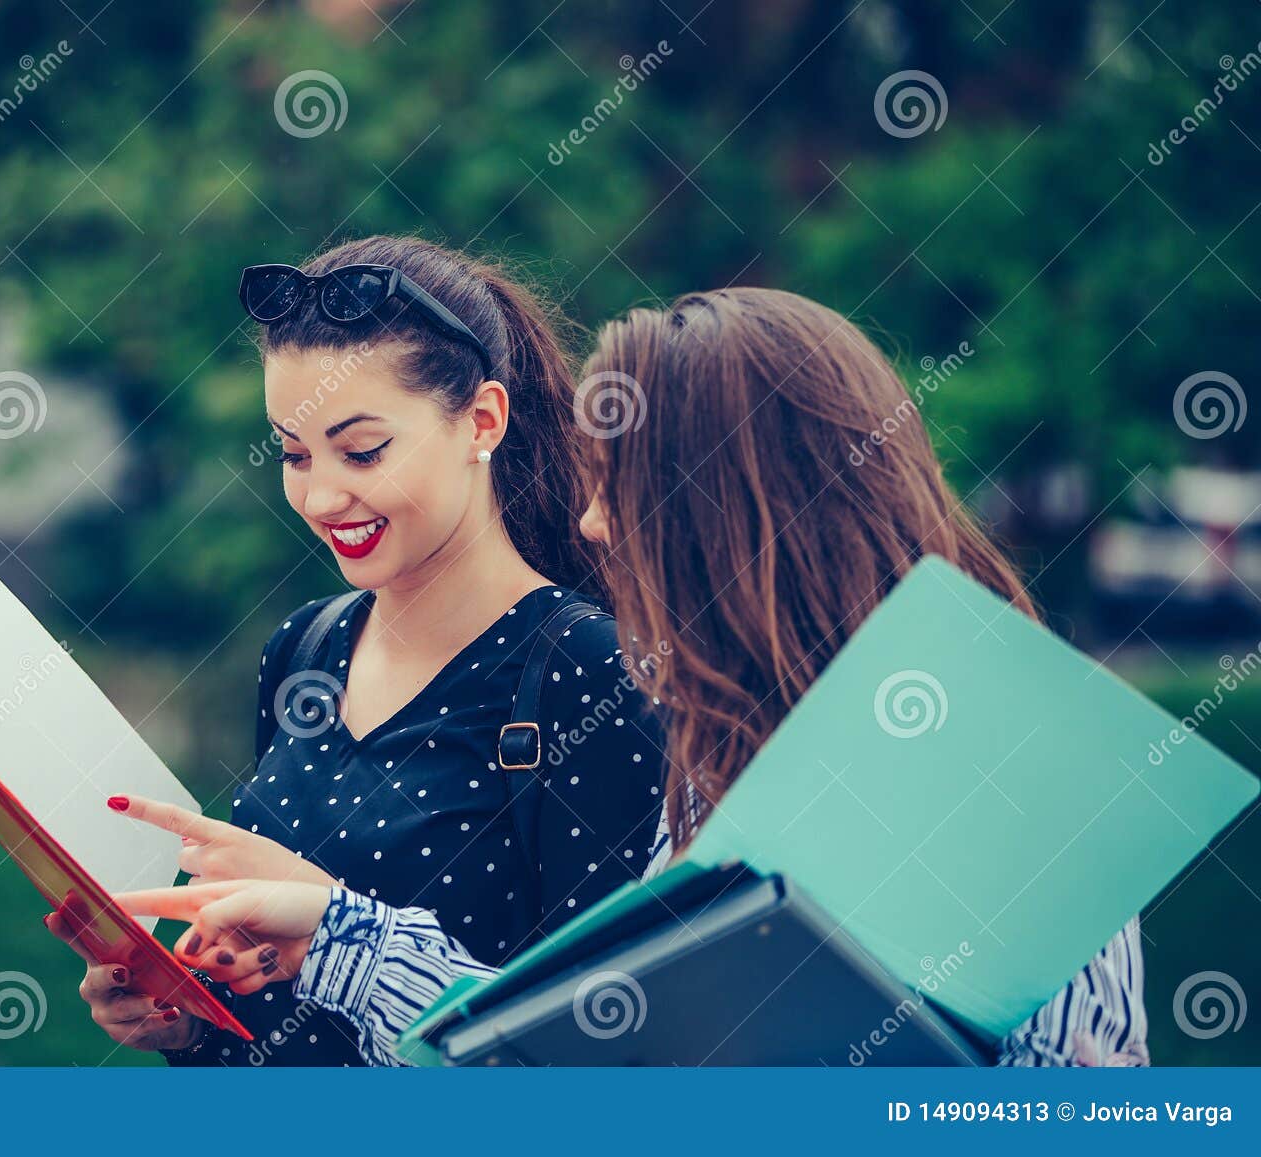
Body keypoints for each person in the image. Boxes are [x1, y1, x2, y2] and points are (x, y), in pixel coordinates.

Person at [112, 287, 1149, 1068]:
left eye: (623, 492)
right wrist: (337, 936)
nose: (595, 525)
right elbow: (604, 1065)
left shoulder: (997, 760)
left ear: (731, 511)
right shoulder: (716, 749)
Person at [48, 237, 667, 1065]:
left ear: (482, 419)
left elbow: (600, 1050)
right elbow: (280, 1035)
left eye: (363, 450)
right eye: (296, 455)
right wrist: (190, 1017)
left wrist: (340, 929)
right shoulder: (304, 646)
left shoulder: (587, 671)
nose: (323, 495)